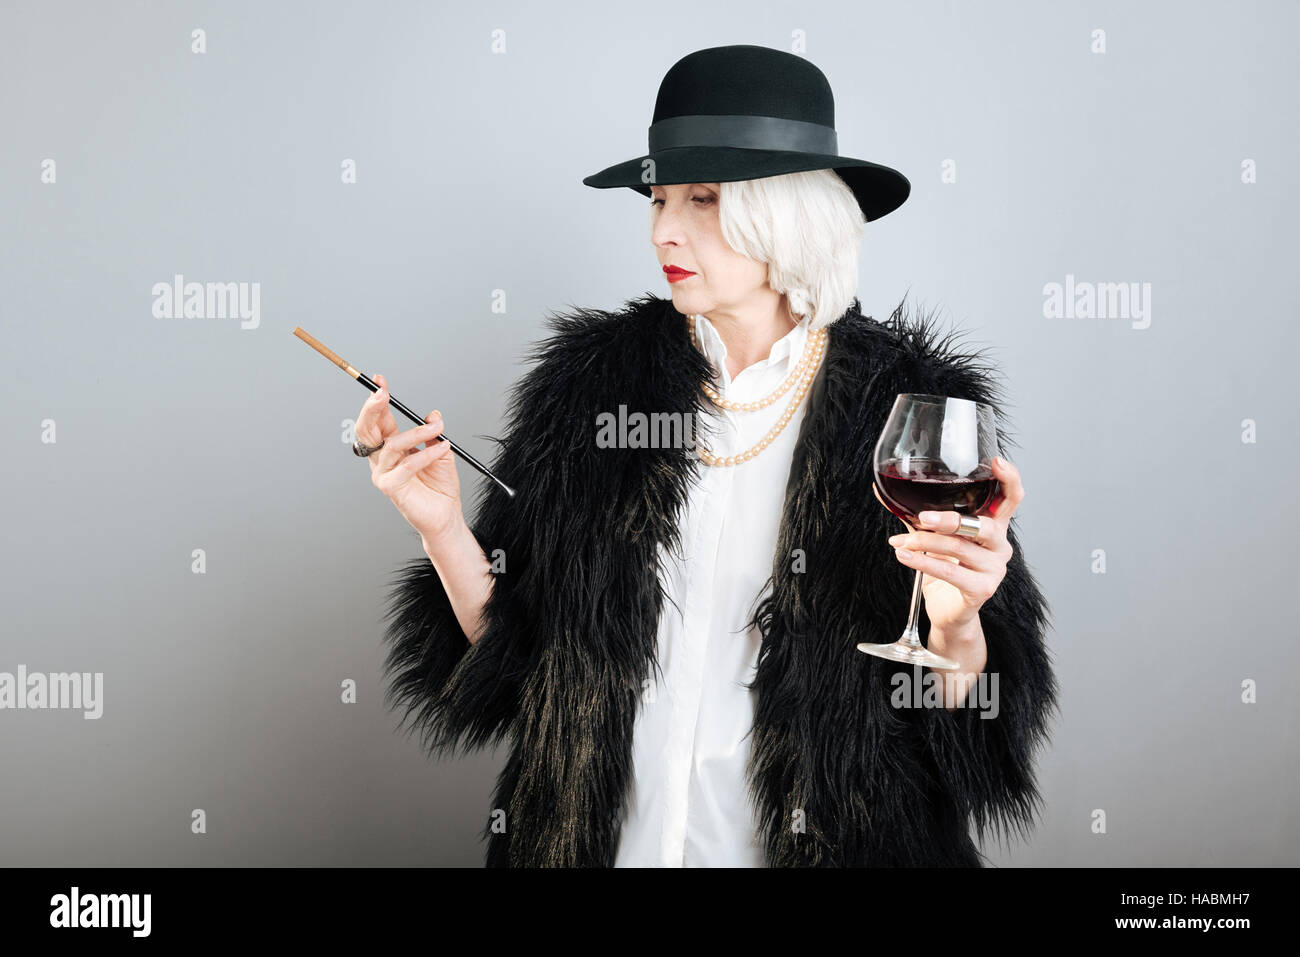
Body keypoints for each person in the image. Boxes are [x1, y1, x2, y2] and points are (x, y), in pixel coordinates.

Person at [354, 44, 1058, 867]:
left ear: (787, 213)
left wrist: (960, 623)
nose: (664, 230)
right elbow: (520, 673)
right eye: (657, 200)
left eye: (703, 198)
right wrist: (442, 527)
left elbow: (980, 744)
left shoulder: (912, 408)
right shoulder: (590, 387)